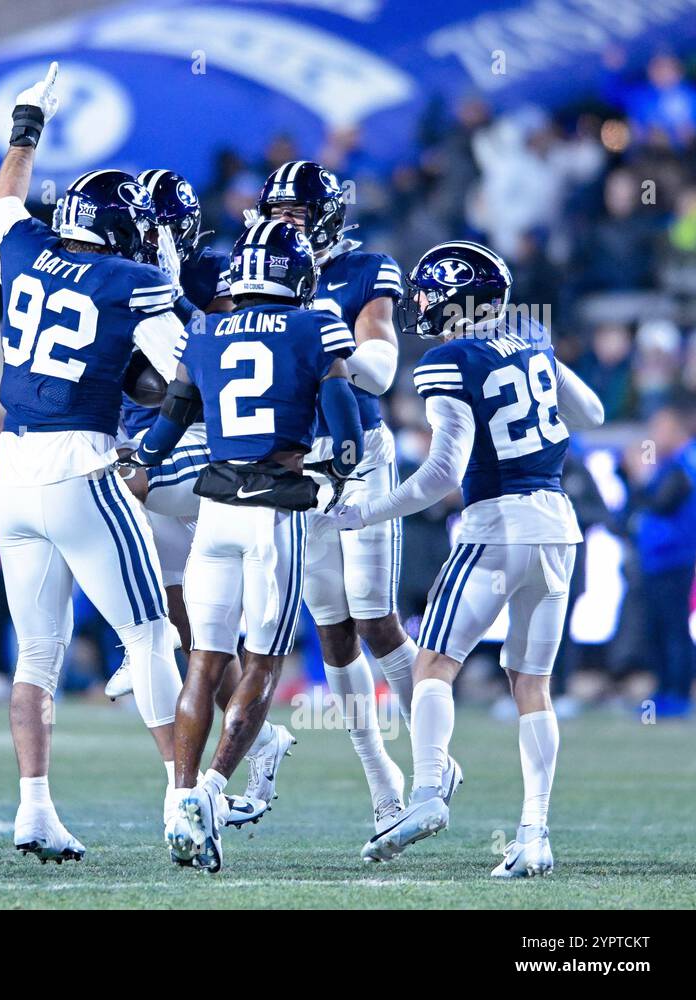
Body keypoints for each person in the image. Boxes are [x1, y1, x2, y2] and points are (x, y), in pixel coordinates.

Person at [0, 65, 245, 863]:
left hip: (11, 474)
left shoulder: (26, 251)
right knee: (149, 640)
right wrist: (168, 285)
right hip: (81, 466)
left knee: (37, 653)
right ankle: (181, 800)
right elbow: (194, 370)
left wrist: (27, 128)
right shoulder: (135, 280)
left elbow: (5, 201)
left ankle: (34, 808)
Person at [326, 240, 604, 876]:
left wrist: (364, 512)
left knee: (432, 665)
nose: (421, 304)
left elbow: (440, 474)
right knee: (532, 685)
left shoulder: (450, 359)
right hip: (557, 524)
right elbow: (590, 410)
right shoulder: (530, 333)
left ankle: (425, 791)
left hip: (494, 524)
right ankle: (534, 833)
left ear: (457, 298)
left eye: (429, 293)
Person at [130, 219, 364, 872]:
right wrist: (323, 468)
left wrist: (136, 459)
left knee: (205, 661)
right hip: (272, 513)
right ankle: (210, 788)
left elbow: (166, 425)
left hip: (215, 513)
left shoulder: (203, 330)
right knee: (260, 665)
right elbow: (349, 442)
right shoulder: (318, 326)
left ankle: (179, 799)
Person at [258, 160, 416, 835]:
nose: (282, 224)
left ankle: (436, 758)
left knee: (376, 617)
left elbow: (380, 366)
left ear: (323, 215)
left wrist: (330, 345)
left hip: (361, 456)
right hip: (299, 461)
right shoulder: (256, 269)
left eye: (294, 213)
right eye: (277, 212)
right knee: (331, 630)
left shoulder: (365, 268)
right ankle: (383, 781)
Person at [621, 404, 696, 717]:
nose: (653, 436)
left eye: (659, 428)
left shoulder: (686, 462)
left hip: (673, 557)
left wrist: (641, 475)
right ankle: (665, 690)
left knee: (672, 627)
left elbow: (662, 502)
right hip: (659, 557)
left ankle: (676, 694)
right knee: (657, 626)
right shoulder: (675, 461)